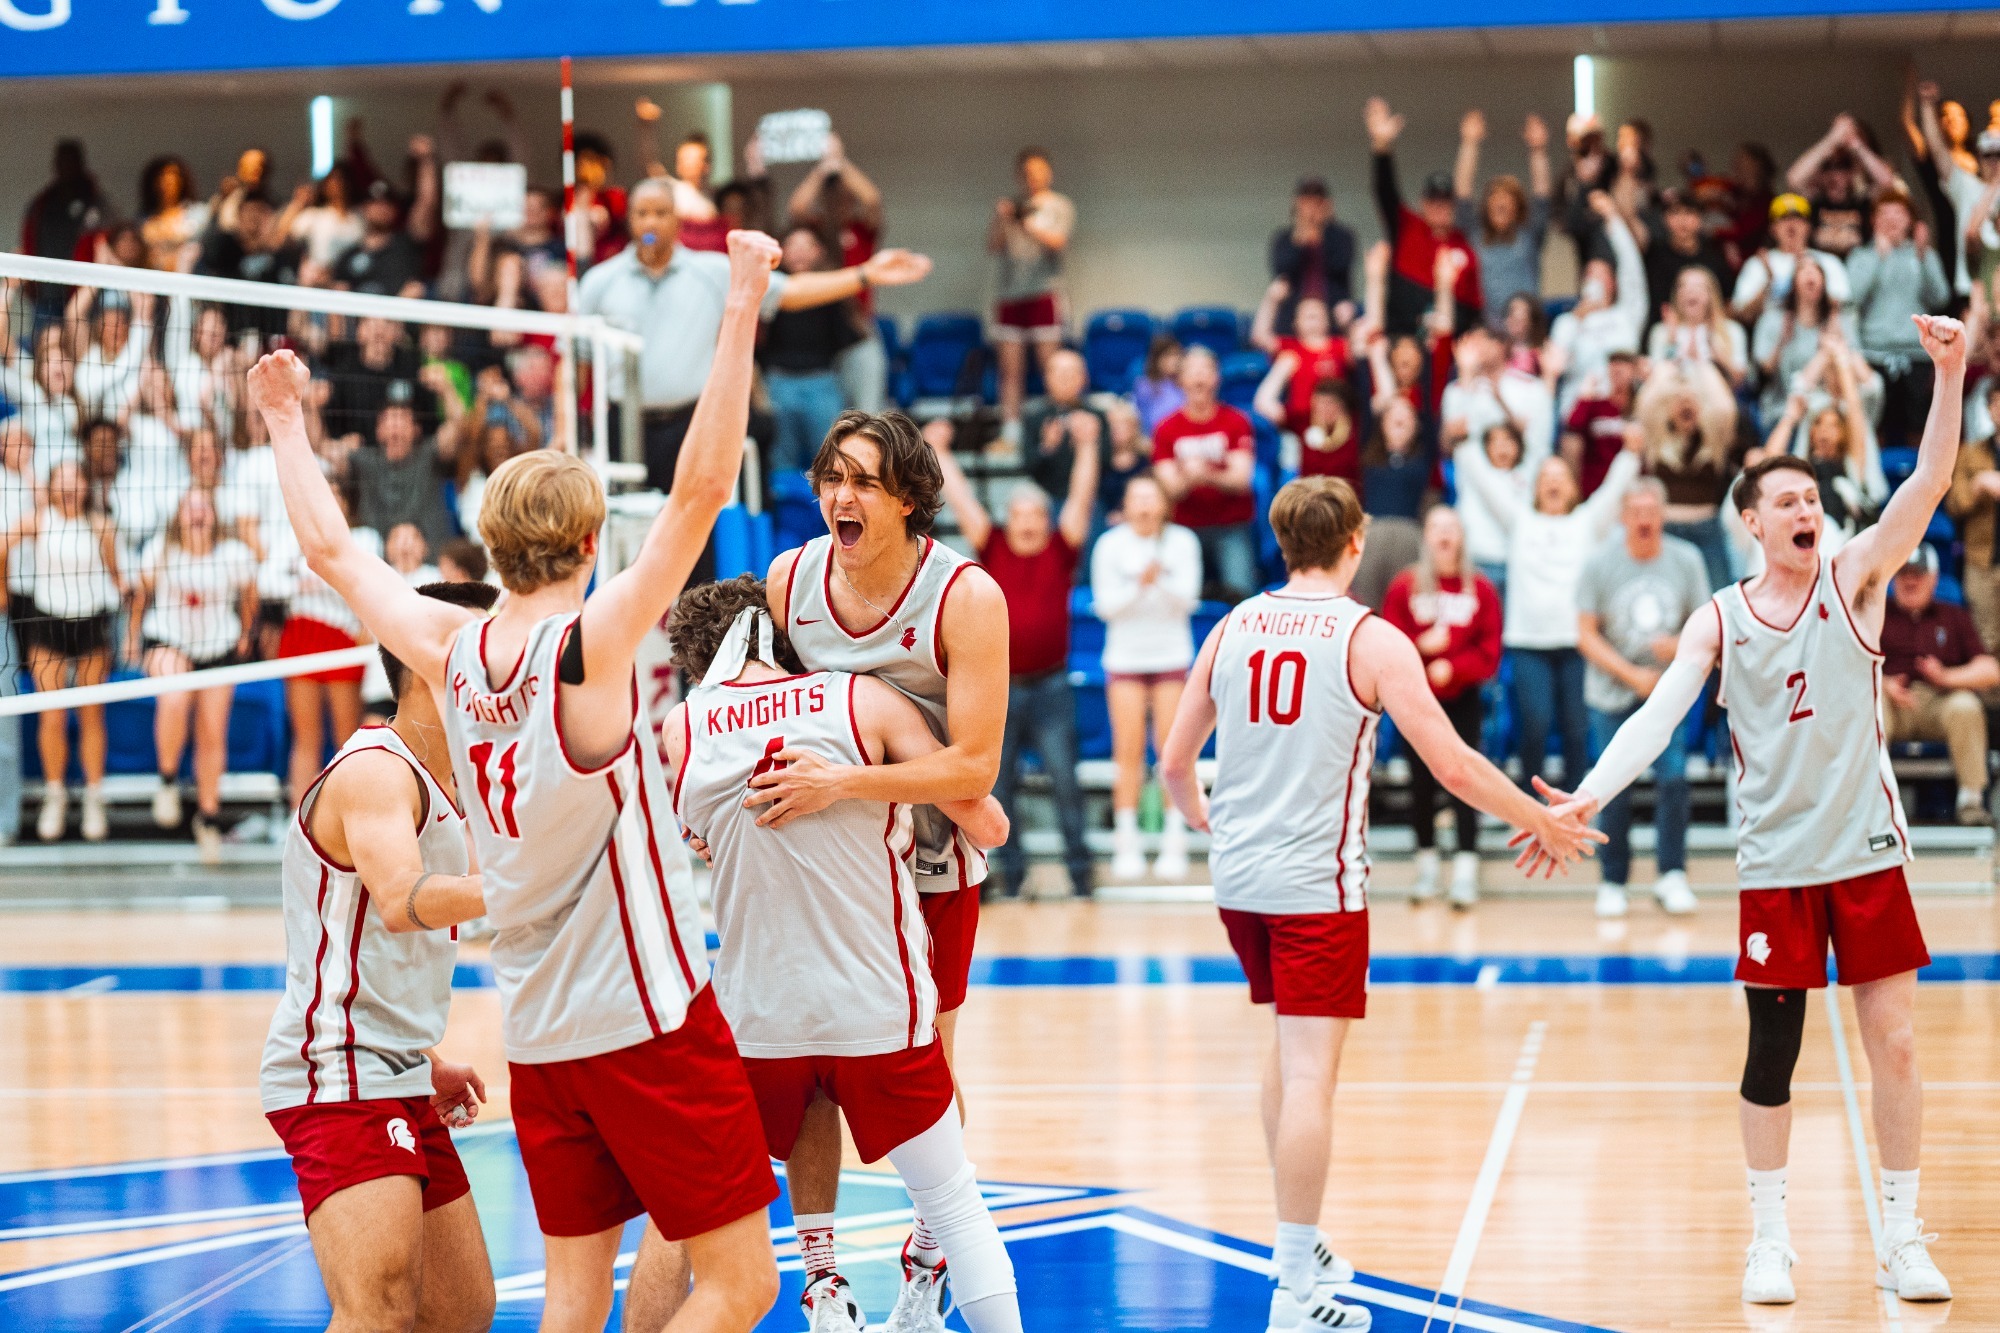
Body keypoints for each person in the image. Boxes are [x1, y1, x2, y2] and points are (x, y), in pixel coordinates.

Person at [252, 227, 789, 1333]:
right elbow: (697, 491)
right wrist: (739, 301)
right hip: (642, 1014)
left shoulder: (450, 656)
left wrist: (281, 425)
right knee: (740, 1282)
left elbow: (334, 555)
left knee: (571, 1301)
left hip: (538, 1033)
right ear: (592, 537)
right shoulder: (588, 648)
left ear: (491, 550)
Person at [1548, 314, 1968, 1307]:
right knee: (1770, 1054)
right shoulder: (1720, 616)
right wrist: (1583, 797)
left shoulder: (1853, 577)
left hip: (1863, 849)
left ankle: (1899, 1233)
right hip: (1775, 865)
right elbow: (1653, 719)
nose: (1804, 511)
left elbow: (1924, 490)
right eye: (1784, 500)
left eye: (1811, 498)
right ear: (1749, 519)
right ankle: (1768, 1237)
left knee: (1895, 1043)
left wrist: (1946, 378)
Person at [1157, 476, 1603, 1333]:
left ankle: (1302, 1237)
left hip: (1240, 881)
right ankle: (1294, 1287)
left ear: (1283, 543)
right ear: (1355, 542)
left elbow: (1175, 764)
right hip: (1316, 887)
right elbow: (1456, 767)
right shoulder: (1371, 638)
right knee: (1313, 1074)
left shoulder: (1232, 625)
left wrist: (1207, 822)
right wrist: (1542, 821)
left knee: (1286, 1054)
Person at [663, 577, 1022, 1333]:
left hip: (768, 1006)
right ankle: (870, 1276)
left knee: (692, 1206)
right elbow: (987, 819)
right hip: (883, 966)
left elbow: (686, 829)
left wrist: (829, 789)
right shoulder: (860, 683)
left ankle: (853, 1280)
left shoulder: (683, 728)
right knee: (949, 1178)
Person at [757, 409, 1011, 1322]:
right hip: (826, 868)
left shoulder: (967, 598)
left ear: (908, 499)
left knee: (927, 1073)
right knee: (812, 1064)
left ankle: (932, 1252)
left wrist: (847, 782)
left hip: (933, 867)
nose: (840, 494)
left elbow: (975, 768)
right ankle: (824, 1279)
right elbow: (747, 708)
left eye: (862, 479)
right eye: (831, 476)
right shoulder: (790, 581)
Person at [259, 580, 499, 1333]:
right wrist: (518, 882)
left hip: (394, 1064)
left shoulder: (454, 776)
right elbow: (401, 898)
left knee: (461, 1311)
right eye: (485, 648)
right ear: (433, 662)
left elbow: (381, 942)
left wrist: (425, 1060)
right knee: (380, 1309)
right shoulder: (376, 767)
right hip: (337, 1068)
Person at [578, 177, 933, 550]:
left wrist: (866, 274)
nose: (651, 223)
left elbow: (790, 292)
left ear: (677, 221)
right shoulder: (600, 282)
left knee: (695, 538)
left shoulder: (712, 272)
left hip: (691, 426)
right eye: (642, 213)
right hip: (623, 426)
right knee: (624, 540)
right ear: (629, 220)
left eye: (661, 213)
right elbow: (577, 365)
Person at [929, 419, 1098, 899]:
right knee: (999, 789)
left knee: (1066, 783)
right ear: (1010, 518)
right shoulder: (993, 544)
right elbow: (960, 499)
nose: (1027, 521)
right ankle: (1011, 875)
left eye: (1035, 514)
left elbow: (1082, 499)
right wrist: (940, 450)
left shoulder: (1061, 550)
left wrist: (1087, 447)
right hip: (1000, 692)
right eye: (1020, 513)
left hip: (1051, 688)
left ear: (1045, 520)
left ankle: (1082, 874)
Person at [1456, 425, 1642, 835]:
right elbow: (1487, 486)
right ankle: (1527, 814)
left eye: (1561, 479)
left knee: (1577, 728)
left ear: (1573, 488)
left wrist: (1630, 454)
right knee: (1535, 725)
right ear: (1536, 488)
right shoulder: (1519, 520)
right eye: (1546, 479)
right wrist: (1466, 444)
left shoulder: (1587, 523)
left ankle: (1575, 814)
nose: (1554, 484)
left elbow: (1613, 490)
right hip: (1528, 644)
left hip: (1577, 645)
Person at [1574, 479, 1709, 918]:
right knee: (1611, 786)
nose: (1645, 518)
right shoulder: (1599, 565)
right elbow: (1585, 635)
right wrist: (1631, 674)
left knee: (1673, 779)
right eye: (1636, 510)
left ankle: (1672, 874)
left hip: (1668, 692)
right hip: (1612, 691)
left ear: (1662, 515)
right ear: (1623, 517)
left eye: (1653, 510)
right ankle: (1613, 881)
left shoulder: (1687, 560)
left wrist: (1680, 645)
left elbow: (1706, 622)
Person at [1381, 505, 1502, 906]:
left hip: (1462, 699)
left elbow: (1489, 653)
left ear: (1461, 537)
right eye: (1436, 528)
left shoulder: (1480, 588)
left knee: (1465, 781)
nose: (1444, 535)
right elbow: (1386, 648)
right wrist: (1420, 650)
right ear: (1426, 537)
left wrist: (1454, 667)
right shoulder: (1405, 586)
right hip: (1415, 701)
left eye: (1452, 527)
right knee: (1420, 784)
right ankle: (1427, 867)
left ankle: (1466, 867)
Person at [129, 489, 260, 862]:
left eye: (205, 507)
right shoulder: (161, 550)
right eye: (191, 507)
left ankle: (208, 818)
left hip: (218, 646)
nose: (198, 514)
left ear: (214, 515)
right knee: (176, 696)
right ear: (179, 515)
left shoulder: (233, 555)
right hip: (167, 639)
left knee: (212, 731)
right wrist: (129, 638)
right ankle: (168, 782)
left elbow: (250, 595)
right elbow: (141, 597)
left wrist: (247, 633)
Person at [1091, 473, 1200, 881]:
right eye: (1136, 497)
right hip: (1125, 659)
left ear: (1163, 504)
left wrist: (1159, 582)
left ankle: (1175, 842)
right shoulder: (1109, 545)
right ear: (1126, 504)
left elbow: (1187, 599)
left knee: (1171, 754)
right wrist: (1142, 585)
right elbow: (1106, 606)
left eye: (1151, 497)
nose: (1144, 506)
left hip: (1171, 655)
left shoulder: (1183, 542)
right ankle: (1127, 844)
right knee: (1129, 754)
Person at [5, 460, 120, 843]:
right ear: (53, 486)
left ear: (86, 484)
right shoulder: (38, 520)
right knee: (52, 716)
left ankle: (93, 797)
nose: (71, 486)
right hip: (47, 625)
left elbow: (116, 574)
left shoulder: (100, 524)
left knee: (92, 715)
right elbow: (2, 544)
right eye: (64, 480)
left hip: (91, 625)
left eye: (77, 479)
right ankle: (55, 795)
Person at [273, 489, 377, 809]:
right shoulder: (292, 537)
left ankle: (347, 816)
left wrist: (313, 583)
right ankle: (298, 821)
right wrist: (298, 585)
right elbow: (266, 581)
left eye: (336, 496)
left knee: (347, 737)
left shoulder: (364, 538)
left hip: (342, 639)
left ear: (346, 503)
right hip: (302, 634)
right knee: (306, 738)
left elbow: (361, 585)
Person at [1881, 545, 1998, 825]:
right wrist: (1882, 683)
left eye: (1918, 574)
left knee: (1965, 705)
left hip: (1939, 702)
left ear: (1934, 579)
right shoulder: (1877, 614)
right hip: (1893, 701)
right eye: (1904, 574)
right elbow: (1849, 664)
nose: (1910, 581)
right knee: (1869, 706)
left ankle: (1971, 802)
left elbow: (1990, 670)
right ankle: (1871, 803)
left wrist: (1946, 678)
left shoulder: (1953, 615)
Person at [787, 132, 892, 413]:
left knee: (867, 414)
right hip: (823, 340)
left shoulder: (861, 229)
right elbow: (797, 207)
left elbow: (872, 199)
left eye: (845, 196)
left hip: (858, 332)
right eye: (832, 197)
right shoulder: (819, 232)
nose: (839, 202)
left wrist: (840, 163)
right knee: (835, 422)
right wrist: (822, 170)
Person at [1365, 97, 1482, 334]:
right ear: (1422, 203)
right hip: (1401, 341)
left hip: (1447, 350)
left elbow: (1471, 311)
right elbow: (1385, 191)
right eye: (1433, 200)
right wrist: (1381, 146)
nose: (1439, 207)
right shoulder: (1407, 226)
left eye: (1445, 201)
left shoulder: (1465, 245)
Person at [1152, 347, 1260, 602]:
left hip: (1231, 526)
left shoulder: (1236, 421)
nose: (1199, 378)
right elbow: (1169, 489)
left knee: (1241, 597)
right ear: (1181, 380)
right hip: (1183, 529)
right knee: (1177, 599)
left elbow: (1241, 480)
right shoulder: (1166, 428)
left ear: (1217, 378)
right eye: (1192, 372)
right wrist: (1197, 476)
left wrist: (1202, 474)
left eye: (1206, 371)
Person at [1847, 189, 1951, 452]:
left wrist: (1923, 255)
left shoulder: (1923, 254)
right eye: (1884, 213)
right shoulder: (1862, 255)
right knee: (1876, 425)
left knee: (1918, 425)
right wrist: (1877, 258)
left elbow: (1940, 298)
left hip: (1916, 353)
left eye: (1899, 212)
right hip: (1875, 353)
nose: (1892, 219)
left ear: (1911, 220)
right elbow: (1852, 296)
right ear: (1873, 220)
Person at [762, 225, 864, 475]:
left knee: (832, 459)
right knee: (780, 460)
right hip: (779, 383)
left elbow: (850, 339)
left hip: (822, 382)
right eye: (792, 247)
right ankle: (787, 512)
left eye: (806, 247)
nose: (799, 254)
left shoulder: (832, 291)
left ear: (819, 252)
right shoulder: (770, 289)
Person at [988, 147, 1076, 434]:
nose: (1033, 178)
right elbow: (993, 246)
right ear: (1019, 176)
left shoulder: (1059, 205)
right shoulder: (1010, 207)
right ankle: (1011, 431)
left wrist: (1027, 222)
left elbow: (1057, 243)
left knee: (1052, 367)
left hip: (1044, 295)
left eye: (1039, 172)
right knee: (1010, 371)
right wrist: (1003, 219)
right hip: (1010, 297)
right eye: (1028, 173)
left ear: (1049, 173)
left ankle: (1059, 425)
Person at [1545, 195, 1648, 416]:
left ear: (1614, 283)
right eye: (1590, 274)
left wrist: (1613, 218)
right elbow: (1556, 365)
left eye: (1604, 274)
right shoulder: (1566, 322)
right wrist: (1576, 319)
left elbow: (1632, 271)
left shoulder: (1626, 314)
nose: (1596, 280)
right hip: (1579, 413)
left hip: (1623, 410)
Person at [1453, 110, 1553, 322]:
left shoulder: (1530, 236)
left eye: (1507, 199)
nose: (1500, 203)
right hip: (1488, 330)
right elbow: (1462, 196)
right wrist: (1469, 144)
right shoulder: (1475, 235)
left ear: (1517, 208)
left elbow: (1542, 198)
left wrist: (1538, 151)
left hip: (1527, 332)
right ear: (1486, 206)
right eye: (1495, 198)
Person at [1919, 81, 2000, 301]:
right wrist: (1927, 106)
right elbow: (1937, 150)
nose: (1995, 162)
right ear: (1979, 155)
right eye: (1989, 155)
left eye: (1999, 155)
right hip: (1971, 288)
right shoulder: (1966, 185)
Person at [1251, 289, 1353, 441]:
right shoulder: (1290, 348)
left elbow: (1360, 355)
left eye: (1317, 315)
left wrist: (1348, 325)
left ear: (1327, 320)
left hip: (1337, 425)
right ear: (1296, 322)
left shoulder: (1339, 346)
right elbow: (1259, 338)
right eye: (1307, 316)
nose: (1312, 319)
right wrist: (1271, 300)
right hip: (1300, 427)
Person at [1946, 377, 2000, 652]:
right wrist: (1978, 486)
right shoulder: (1969, 453)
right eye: (1997, 402)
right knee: (1986, 640)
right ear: (1989, 408)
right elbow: (1954, 505)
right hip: (1982, 559)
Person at [1019, 348, 1109, 503]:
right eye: (1060, 374)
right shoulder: (1034, 417)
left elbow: (1107, 462)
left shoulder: (1096, 416)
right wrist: (1047, 447)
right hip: (1045, 497)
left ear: (1084, 378)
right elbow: (1028, 466)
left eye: (1072, 373)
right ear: (1047, 378)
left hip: (1090, 497)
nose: (1066, 379)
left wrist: (1088, 445)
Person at [1268, 178, 1356, 335]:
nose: (1312, 210)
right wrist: (1300, 239)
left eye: (1317, 204)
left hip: (1333, 316)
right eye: (1306, 204)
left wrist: (1320, 235)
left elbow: (1340, 265)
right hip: (1292, 320)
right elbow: (1282, 271)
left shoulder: (1342, 236)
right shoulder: (1284, 238)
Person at [1641, 188, 1733, 337]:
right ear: (1665, 218)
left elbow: (1728, 302)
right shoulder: (1653, 253)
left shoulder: (1714, 256)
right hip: (1664, 332)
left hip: (1707, 335)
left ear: (1700, 218)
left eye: (1689, 213)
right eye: (1675, 213)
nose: (1682, 220)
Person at [1561, 351, 1640, 500]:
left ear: (1633, 371)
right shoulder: (1597, 404)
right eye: (1613, 368)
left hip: (1631, 489)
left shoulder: (1641, 404)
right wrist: (1585, 396)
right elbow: (1573, 424)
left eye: (1623, 368)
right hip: (1596, 488)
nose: (1618, 372)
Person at [1131, 334, 1186, 437]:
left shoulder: (1187, 384)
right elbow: (1137, 418)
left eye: (1178, 355)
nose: (1175, 360)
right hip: (1153, 440)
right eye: (1169, 355)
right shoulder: (1144, 386)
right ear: (1157, 359)